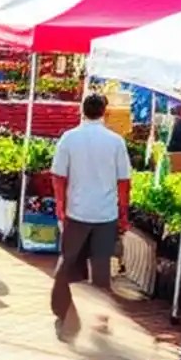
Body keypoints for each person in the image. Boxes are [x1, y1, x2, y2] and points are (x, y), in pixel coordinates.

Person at [50, 93, 132, 340]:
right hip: (105, 214)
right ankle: (100, 320)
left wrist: (61, 206)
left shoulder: (69, 138)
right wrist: (123, 213)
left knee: (67, 261)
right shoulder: (115, 141)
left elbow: (58, 176)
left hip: (77, 211)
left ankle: (61, 310)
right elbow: (124, 182)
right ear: (105, 112)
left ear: (82, 111)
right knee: (101, 267)